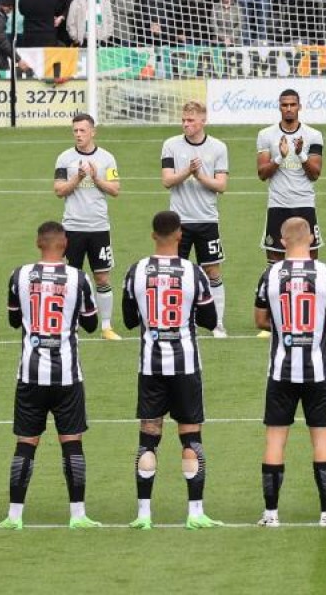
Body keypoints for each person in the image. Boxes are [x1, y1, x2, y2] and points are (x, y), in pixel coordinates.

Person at [120, 210, 223, 530]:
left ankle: (143, 514)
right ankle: (194, 512)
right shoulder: (193, 273)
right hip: (185, 366)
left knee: (149, 439)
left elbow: (128, 320)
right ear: (180, 236)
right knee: (190, 438)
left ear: (153, 235)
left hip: (150, 367)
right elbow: (209, 320)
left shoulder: (136, 270)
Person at [0, 221, 100, 530]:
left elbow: (14, 319)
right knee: (72, 442)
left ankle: (14, 516)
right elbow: (92, 324)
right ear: (65, 243)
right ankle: (78, 514)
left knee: (25, 443)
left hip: (30, 374)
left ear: (38, 243)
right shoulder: (79, 278)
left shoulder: (19, 275)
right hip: (67, 375)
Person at [254, 216, 326, 526]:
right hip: (318, 372)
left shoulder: (269, 275)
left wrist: (287, 327)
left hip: (280, 371)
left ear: (282, 242)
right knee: (323, 441)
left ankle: (270, 514)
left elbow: (260, 320)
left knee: (274, 440)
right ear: (311, 239)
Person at [160, 101, 231, 336]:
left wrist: (199, 176)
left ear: (203, 121)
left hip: (207, 220)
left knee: (212, 271)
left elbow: (221, 185)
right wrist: (187, 172)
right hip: (178, 222)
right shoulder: (170, 145)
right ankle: (176, 321)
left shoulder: (218, 147)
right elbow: (167, 180)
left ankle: (217, 323)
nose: (186, 124)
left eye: (190, 121)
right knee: (174, 273)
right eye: (183, 120)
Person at [52, 113, 122, 340]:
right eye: (75, 131)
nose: (78, 135)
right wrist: (78, 178)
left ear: (93, 132)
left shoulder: (108, 158)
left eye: (82, 130)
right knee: (71, 279)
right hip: (72, 227)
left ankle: (106, 327)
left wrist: (95, 178)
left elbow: (115, 189)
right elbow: (59, 190)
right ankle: (69, 326)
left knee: (102, 277)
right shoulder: (64, 158)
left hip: (99, 227)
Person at [257, 88, 325, 264]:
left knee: (310, 260)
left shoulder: (314, 135)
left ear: (299, 107)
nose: (288, 108)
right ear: (279, 107)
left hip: (304, 204)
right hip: (277, 205)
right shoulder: (265, 135)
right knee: (275, 263)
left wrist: (301, 154)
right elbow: (262, 173)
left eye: (292, 105)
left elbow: (315, 174)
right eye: (285, 105)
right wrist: (280, 157)